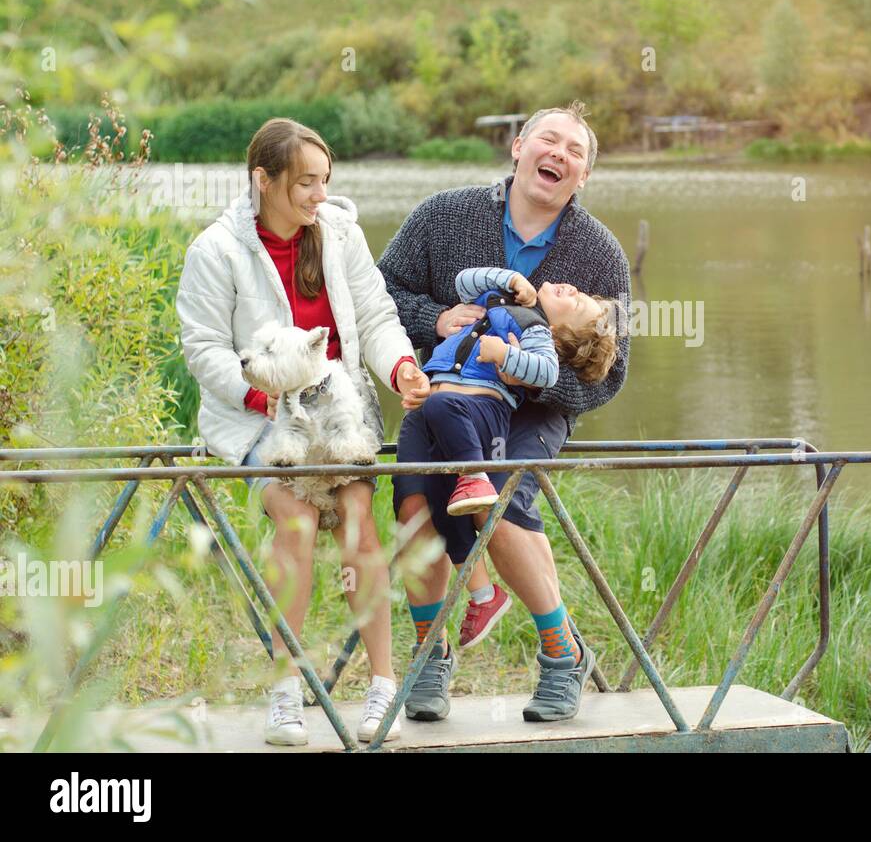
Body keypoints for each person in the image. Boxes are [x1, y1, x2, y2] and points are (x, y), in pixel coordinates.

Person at [176, 118, 431, 746]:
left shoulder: (339, 232)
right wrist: (259, 395)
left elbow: (374, 315)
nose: (319, 196)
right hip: (259, 414)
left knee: (356, 518)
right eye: (305, 184)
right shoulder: (217, 249)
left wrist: (400, 367)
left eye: (325, 181)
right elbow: (204, 347)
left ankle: (382, 686)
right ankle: (286, 692)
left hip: (340, 409)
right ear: (263, 180)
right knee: (293, 521)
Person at [379, 100, 630, 723]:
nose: (559, 156)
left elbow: (612, 372)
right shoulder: (443, 215)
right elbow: (380, 293)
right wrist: (432, 321)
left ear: (584, 177)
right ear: (519, 147)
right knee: (417, 500)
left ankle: (559, 653)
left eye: (575, 152)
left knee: (499, 492)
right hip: (452, 385)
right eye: (549, 141)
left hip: (537, 404)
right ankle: (429, 654)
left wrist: (530, 380)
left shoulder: (601, 254)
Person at [396, 265, 618, 651]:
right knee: (426, 501)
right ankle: (479, 600)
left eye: (577, 302)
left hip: (476, 409)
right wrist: (508, 279)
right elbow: (462, 282)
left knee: (498, 504)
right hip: (434, 403)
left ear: (561, 332)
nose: (573, 286)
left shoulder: (535, 331)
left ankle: (561, 648)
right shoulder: (506, 297)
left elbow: (547, 373)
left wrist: (507, 357)